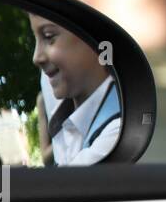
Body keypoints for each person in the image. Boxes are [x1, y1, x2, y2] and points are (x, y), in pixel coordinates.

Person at [27, 12, 121, 166]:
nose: (36, 57)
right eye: (35, 39)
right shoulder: (63, 119)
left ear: (95, 38)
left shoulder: (114, 131)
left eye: (49, 36)